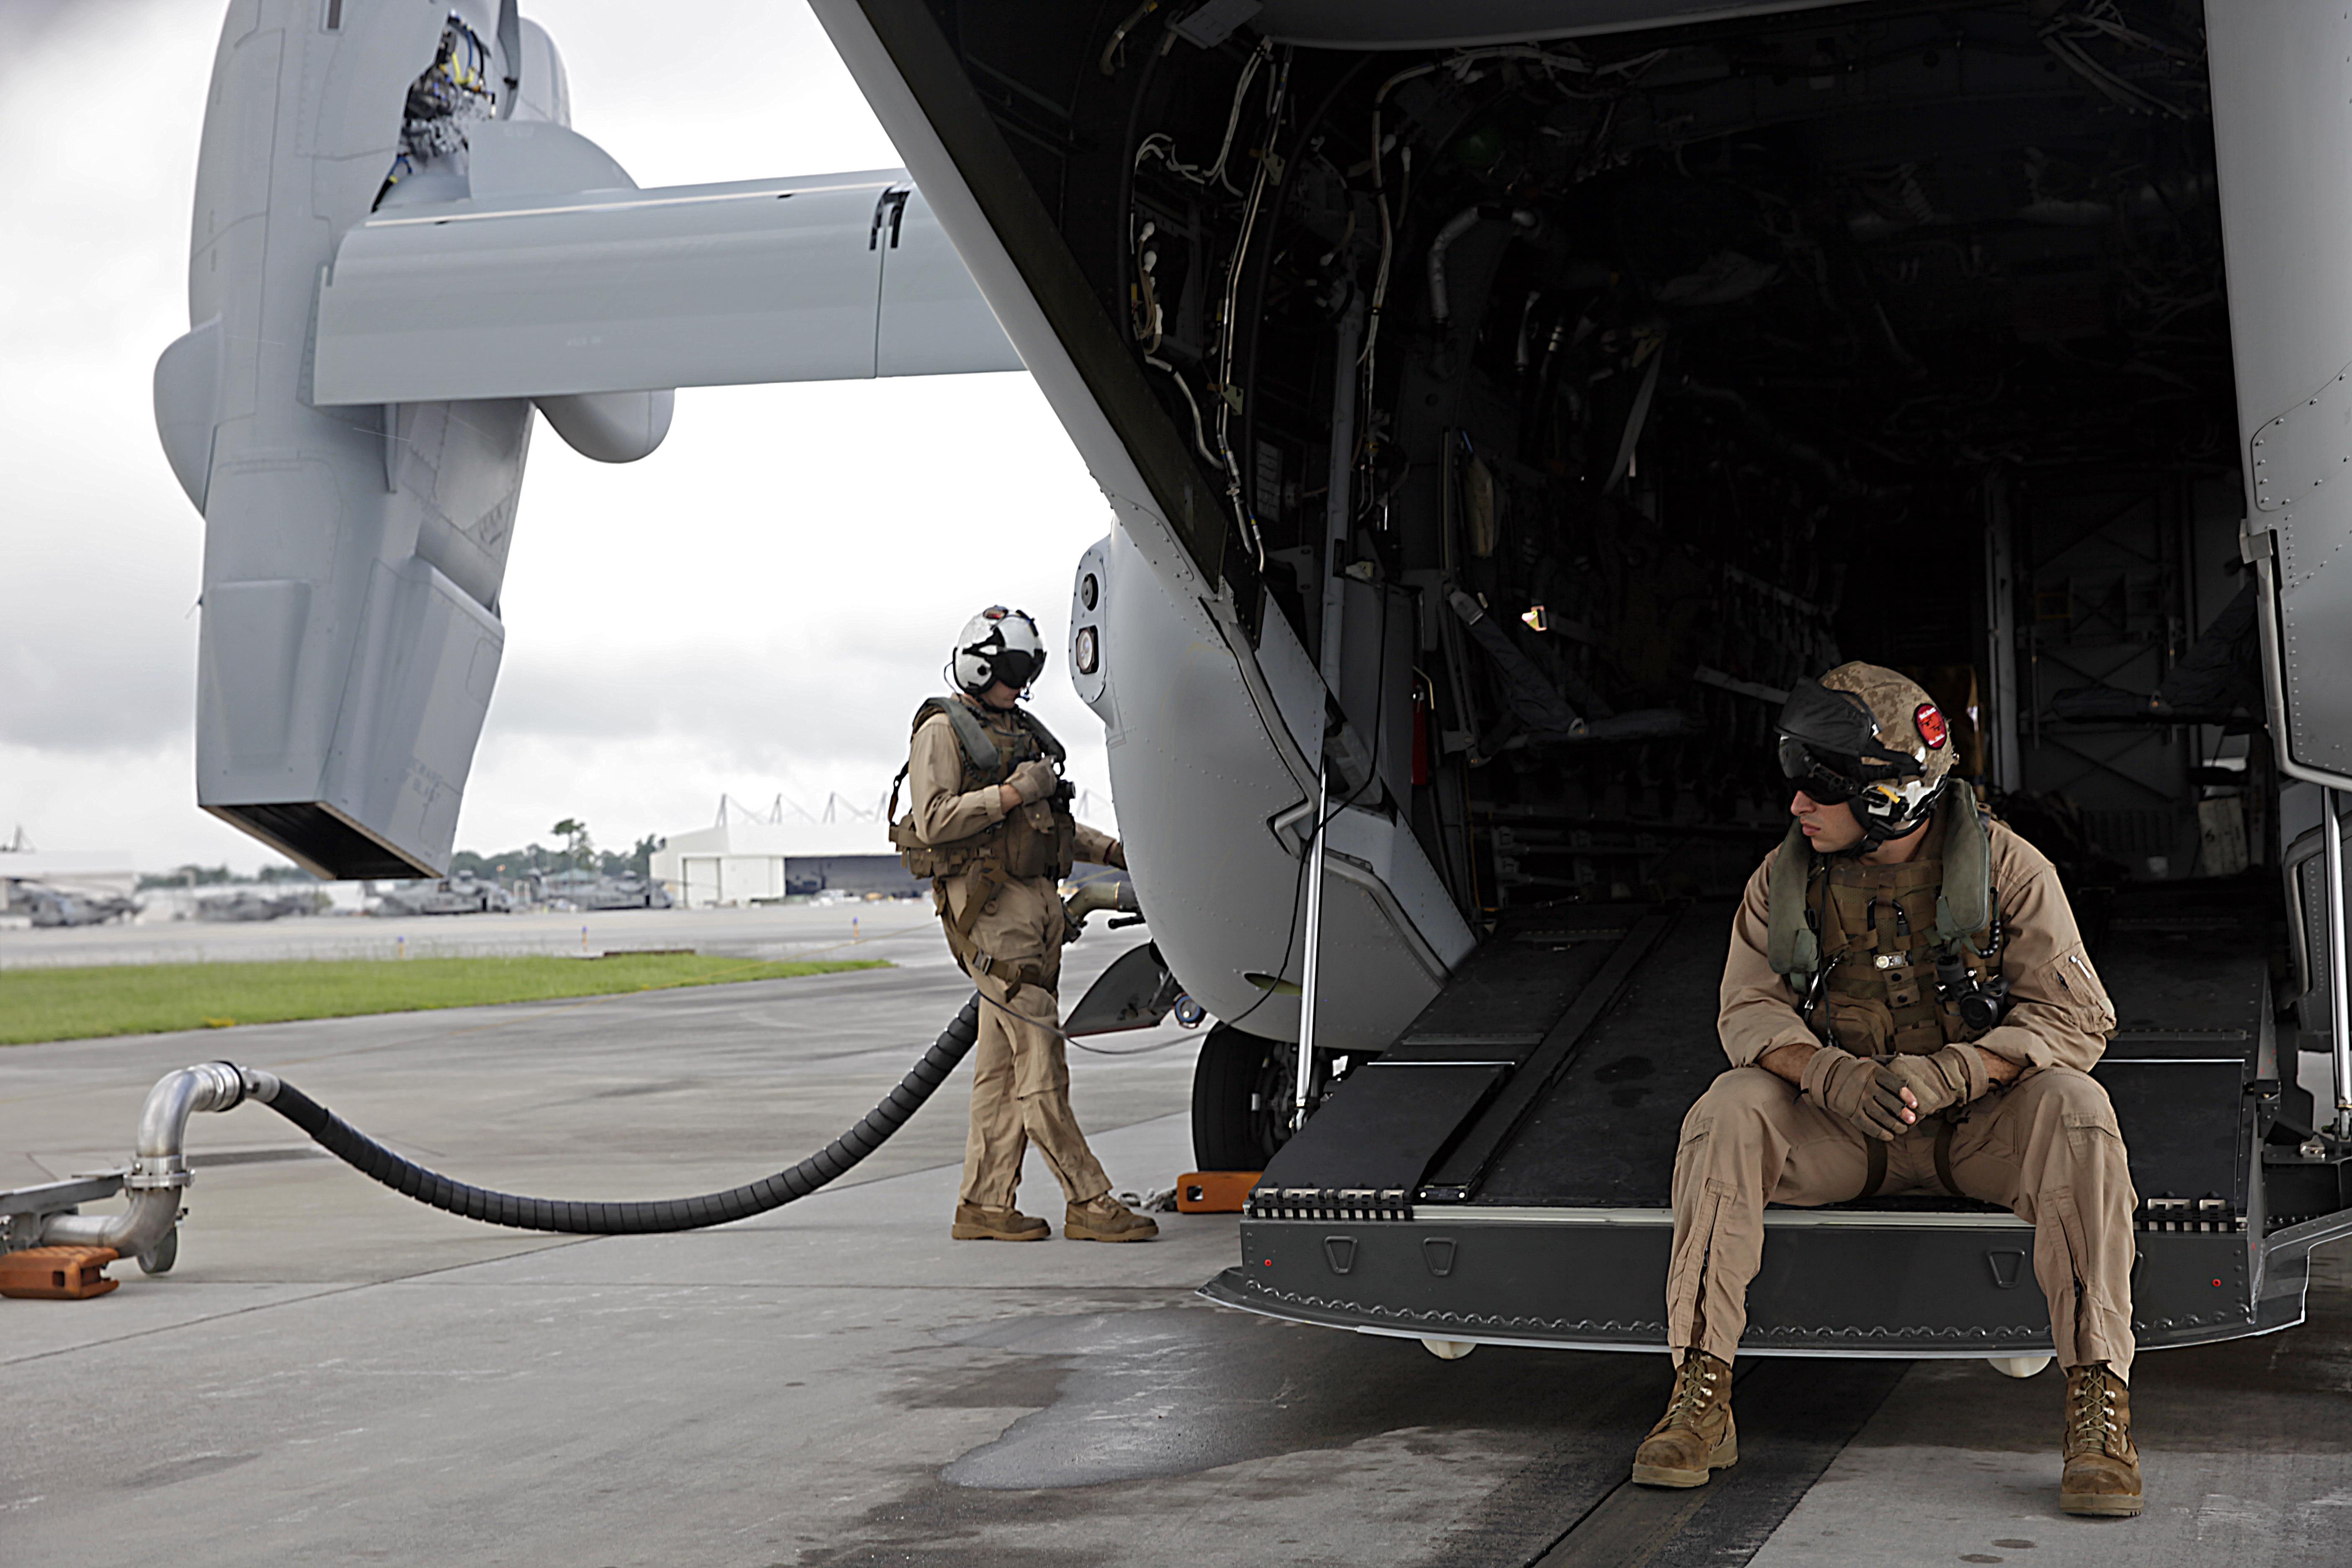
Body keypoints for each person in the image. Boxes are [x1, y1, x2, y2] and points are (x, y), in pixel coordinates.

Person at [1632, 663, 2140, 1517]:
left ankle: (2099, 1407)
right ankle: (1701, 1392)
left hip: (1979, 1129)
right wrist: (1826, 1073)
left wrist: (1961, 1069)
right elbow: (1748, 1011)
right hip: (1847, 1130)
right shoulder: (1783, 879)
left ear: (1890, 795)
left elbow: (2079, 1018)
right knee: (1726, 1109)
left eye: (1819, 789)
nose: (1796, 807)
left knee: (2080, 1111)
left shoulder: (2008, 868)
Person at [890, 606, 1158, 1245]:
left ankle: (984, 1205)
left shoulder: (1018, 732)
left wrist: (1121, 853)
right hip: (993, 919)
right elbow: (934, 820)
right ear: (981, 666)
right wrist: (1011, 794)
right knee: (1042, 1064)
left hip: (1038, 911)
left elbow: (1051, 829)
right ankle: (1089, 1198)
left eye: (1026, 672)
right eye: (1012, 672)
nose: (1020, 686)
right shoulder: (943, 732)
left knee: (1002, 1073)